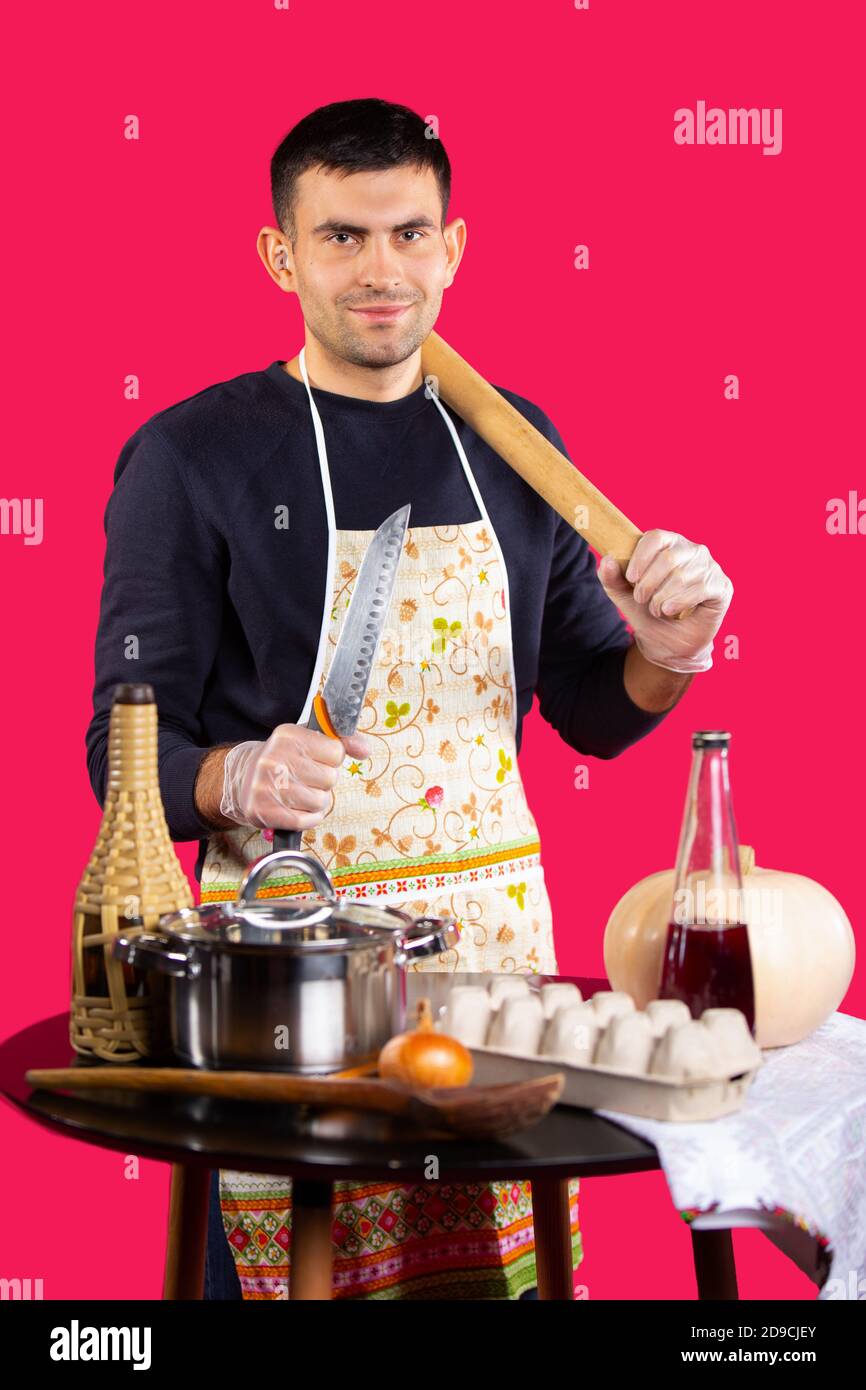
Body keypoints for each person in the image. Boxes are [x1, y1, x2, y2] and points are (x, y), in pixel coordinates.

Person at [86, 97, 733, 1300]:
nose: (381, 271)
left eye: (408, 234)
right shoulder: (192, 457)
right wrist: (233, 774)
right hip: (292, 972)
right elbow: (120, 747)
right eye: (341, 237)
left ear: (453, 247)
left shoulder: (516, 444)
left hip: (494, 980)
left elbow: (595, 704)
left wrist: (668, 651)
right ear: (281, 253)